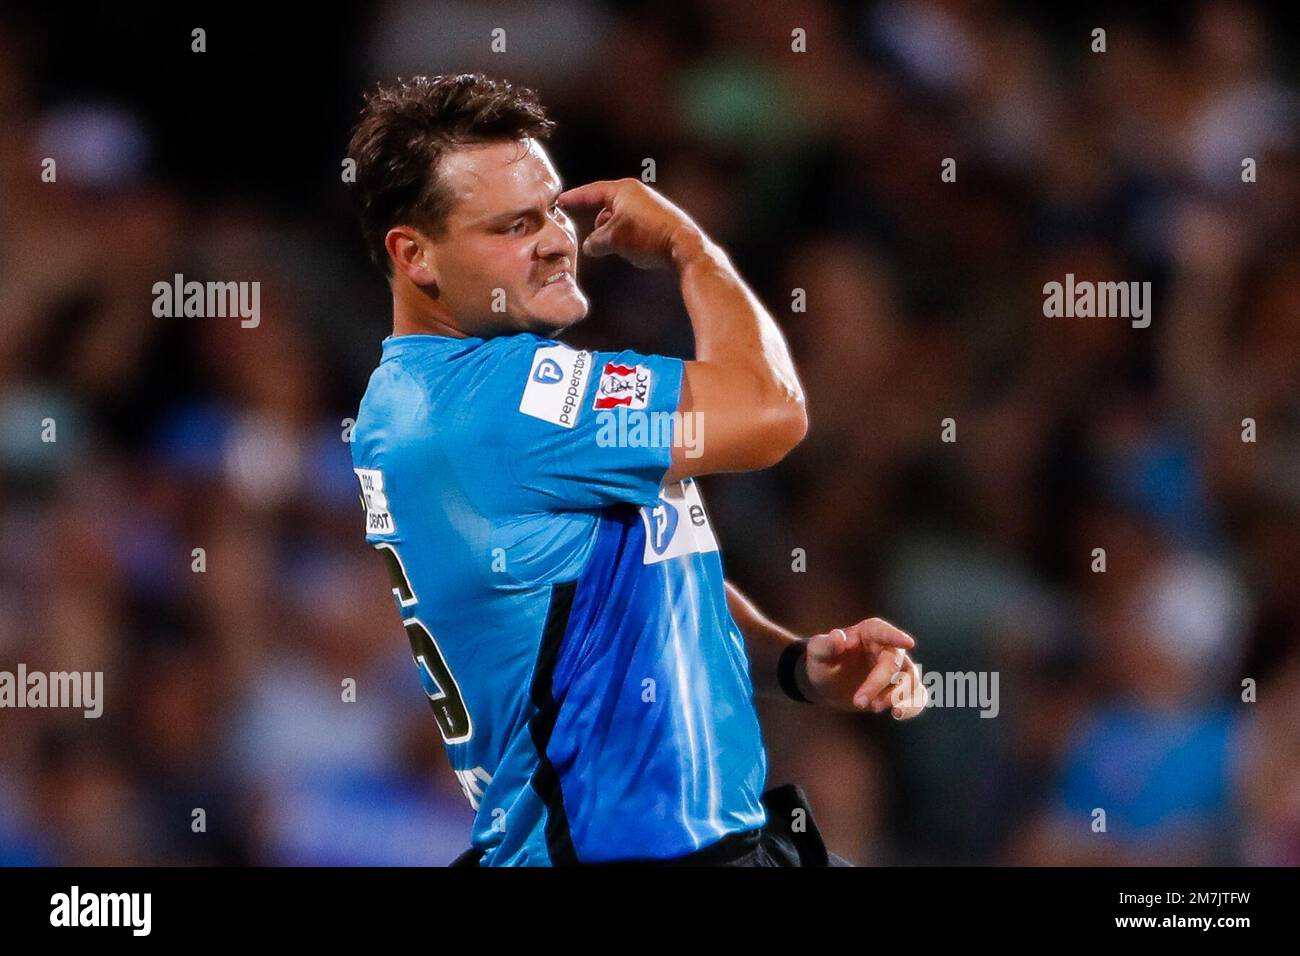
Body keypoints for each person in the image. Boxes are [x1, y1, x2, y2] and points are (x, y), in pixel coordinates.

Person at [346, 73, 926, 866]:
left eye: (552, 206)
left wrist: (792, 662)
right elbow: (771, 412)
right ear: (415, 255)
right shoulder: (502, 401)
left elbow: (625, 578)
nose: (557, 239)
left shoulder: (416, 395)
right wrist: (694, 251)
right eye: (514, 225)